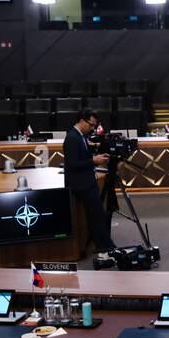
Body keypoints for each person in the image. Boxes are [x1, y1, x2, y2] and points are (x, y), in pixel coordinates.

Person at [63, 108, 117, 260]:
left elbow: (82, 157)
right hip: (81, 184)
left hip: (86, 181)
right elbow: (72, 164)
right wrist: (94, 160)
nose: (93, 128)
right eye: (91, 125)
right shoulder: (72, 138)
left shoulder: (79, 136)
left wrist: (95, 155)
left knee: (97, 216)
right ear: (81, 121)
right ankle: (105, 248)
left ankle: (104, 246)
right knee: (97, 216)